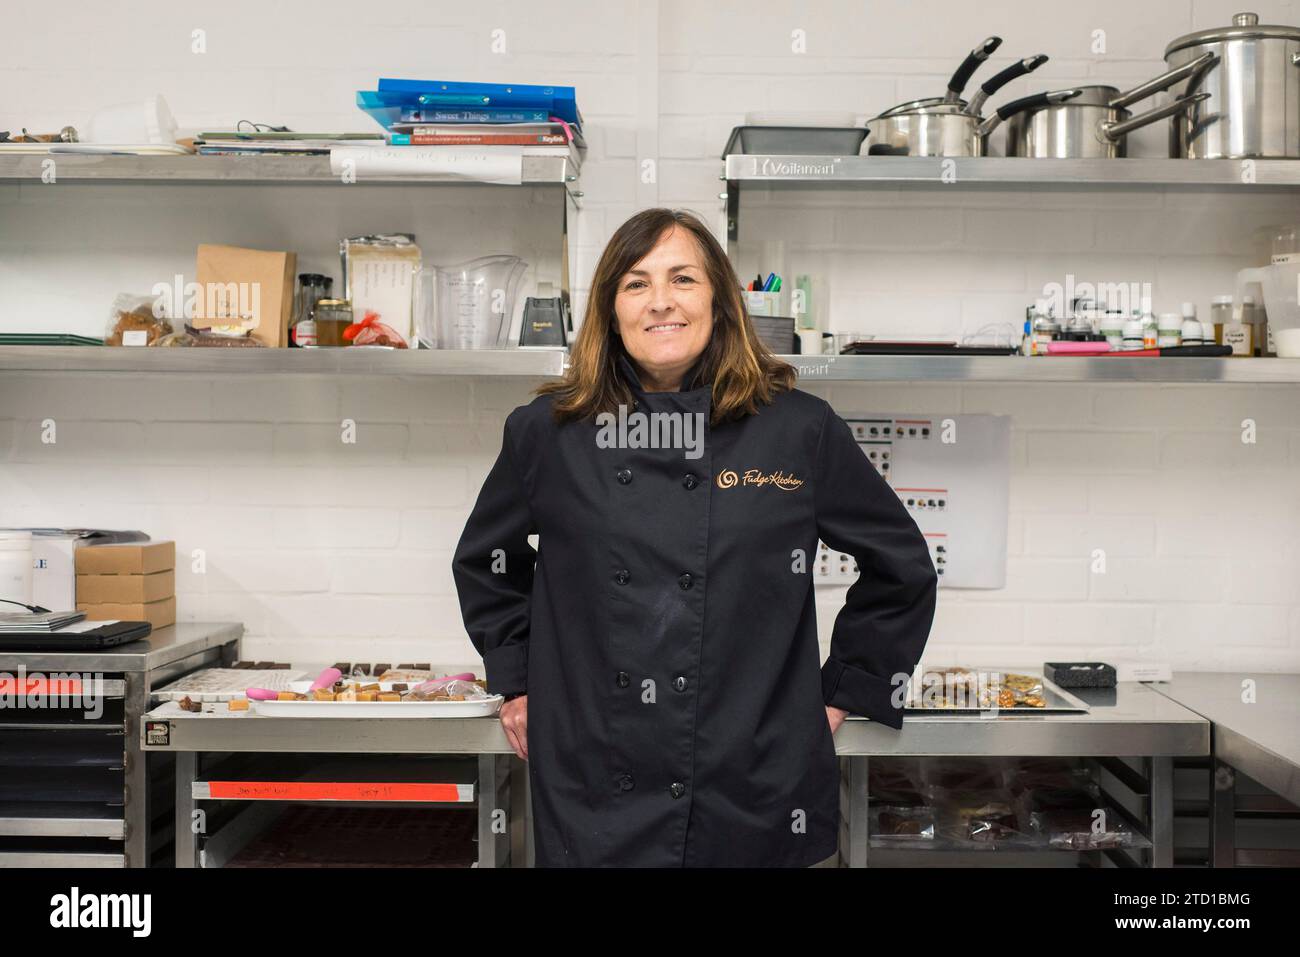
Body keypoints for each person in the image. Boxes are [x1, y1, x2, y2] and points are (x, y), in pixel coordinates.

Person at [452, 207, 937, 867]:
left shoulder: (797, 430)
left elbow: (902, 564)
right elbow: (487, 562)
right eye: (635, 283)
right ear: (610, 308)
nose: (661, 302)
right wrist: (516, 679)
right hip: (597, 778)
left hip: (752, 775)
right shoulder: (547, 433)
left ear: (719, 301)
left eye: (682, 278)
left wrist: (845, 687)